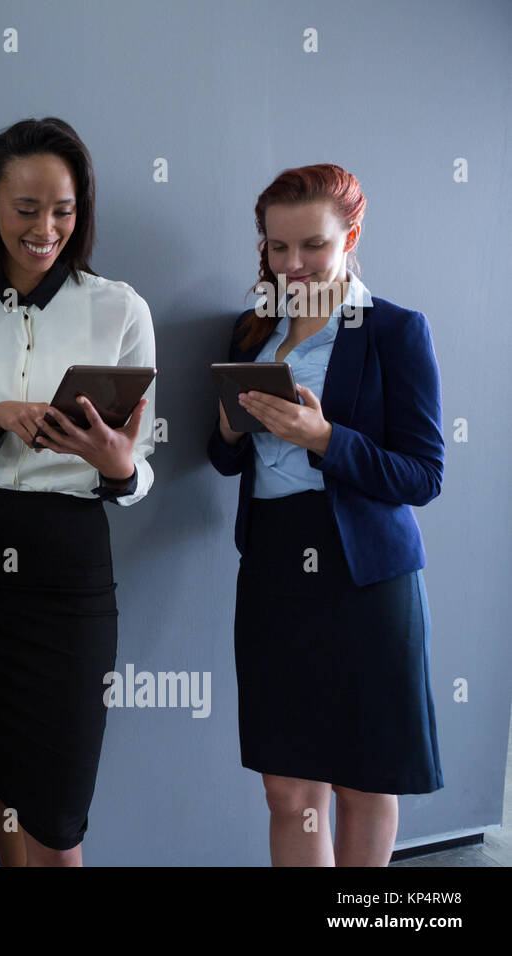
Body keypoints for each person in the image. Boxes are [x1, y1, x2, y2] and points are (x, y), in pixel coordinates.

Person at [0, 117, 156, 867]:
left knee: (59, 806)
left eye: (64, 208)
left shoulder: (120, 308)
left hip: (71, 565)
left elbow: (139, 472)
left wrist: (115, 462)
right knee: (7, 775)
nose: (46, 227)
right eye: (26, 208)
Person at [207, 163, 444, 866]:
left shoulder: (395, 331)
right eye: (278, 248)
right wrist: (227, 429)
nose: (293, 264)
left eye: (311, 245)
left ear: (352, 236)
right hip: (276, 567)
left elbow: (424, 475)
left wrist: (326, 440)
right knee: (287, 786)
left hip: (367, 574)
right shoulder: (251, 333)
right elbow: (222, 461)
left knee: (363, 780)